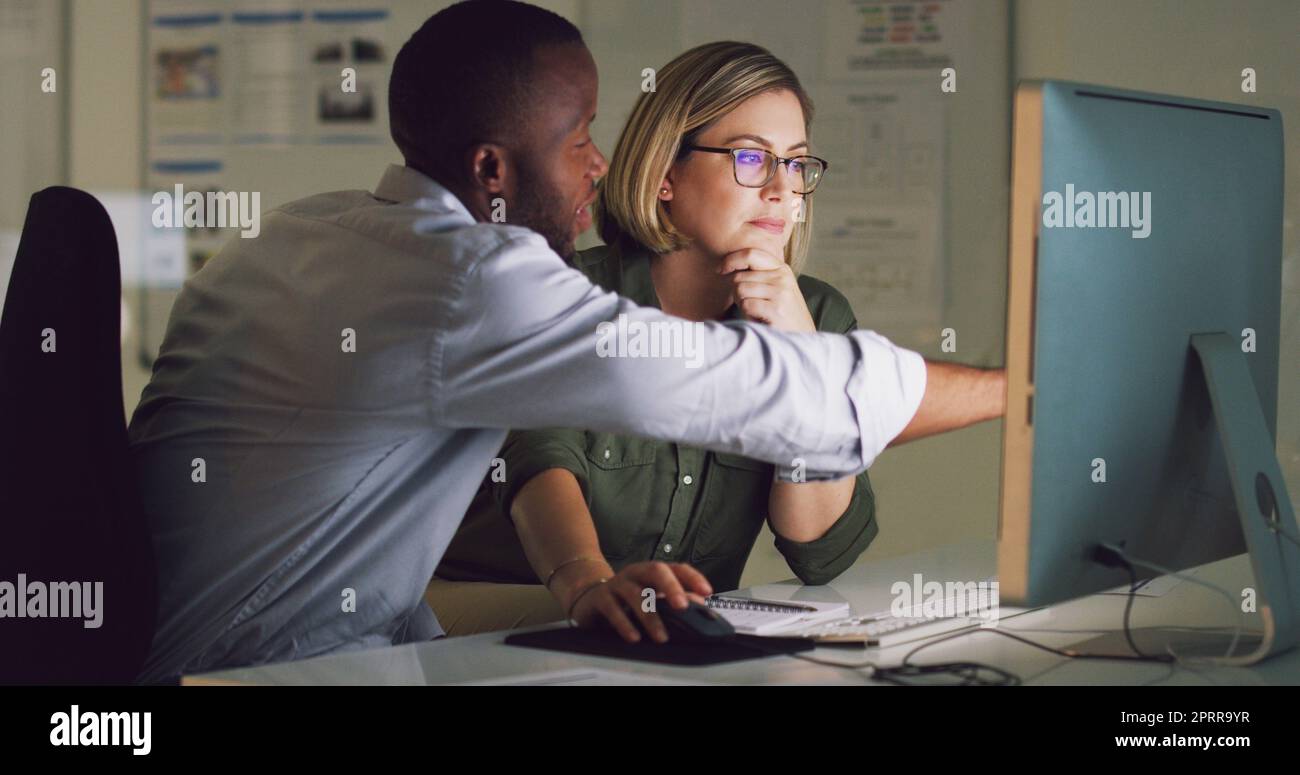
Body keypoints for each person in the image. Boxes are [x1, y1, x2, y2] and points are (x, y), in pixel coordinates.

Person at [128, 1, 1004, 683]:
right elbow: (747, 392)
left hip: (263, 649)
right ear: (492, 171)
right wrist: (1029, 385)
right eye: (578, 138)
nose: (598, 162)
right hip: (247, 672)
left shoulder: (296, 231)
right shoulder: (479, 281)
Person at [433, 42, 893, 642]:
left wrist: (802, 358)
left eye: (798, 165)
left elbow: (820, 553)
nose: (783, 188)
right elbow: (541, 463)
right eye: (752, 158)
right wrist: (591, 583)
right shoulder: (563, 291)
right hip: (487, 610)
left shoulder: (818, 315)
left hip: (663, 634)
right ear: (666, 174)